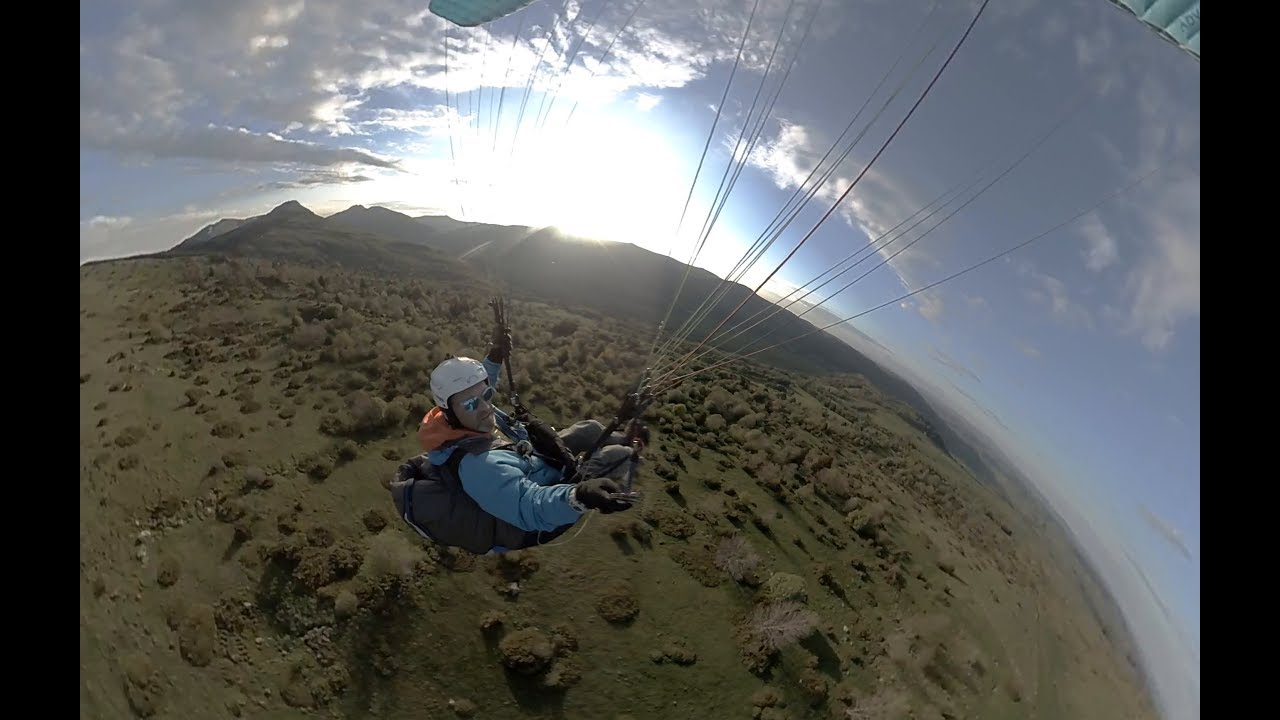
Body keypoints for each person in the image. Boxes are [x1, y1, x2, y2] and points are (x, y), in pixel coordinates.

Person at [384, 328, 646, 554]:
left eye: (486, 394)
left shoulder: (467, 417)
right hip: (545, 502)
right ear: (450, 412)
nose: (486, 406)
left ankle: (624, 437)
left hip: (531, 463)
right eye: (472, 403)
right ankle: (629, 448)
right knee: (618, 455)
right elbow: (530, 507)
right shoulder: (480, 466)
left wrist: (494, 356)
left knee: (590, 429)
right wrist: (580, 496)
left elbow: (478, 388)